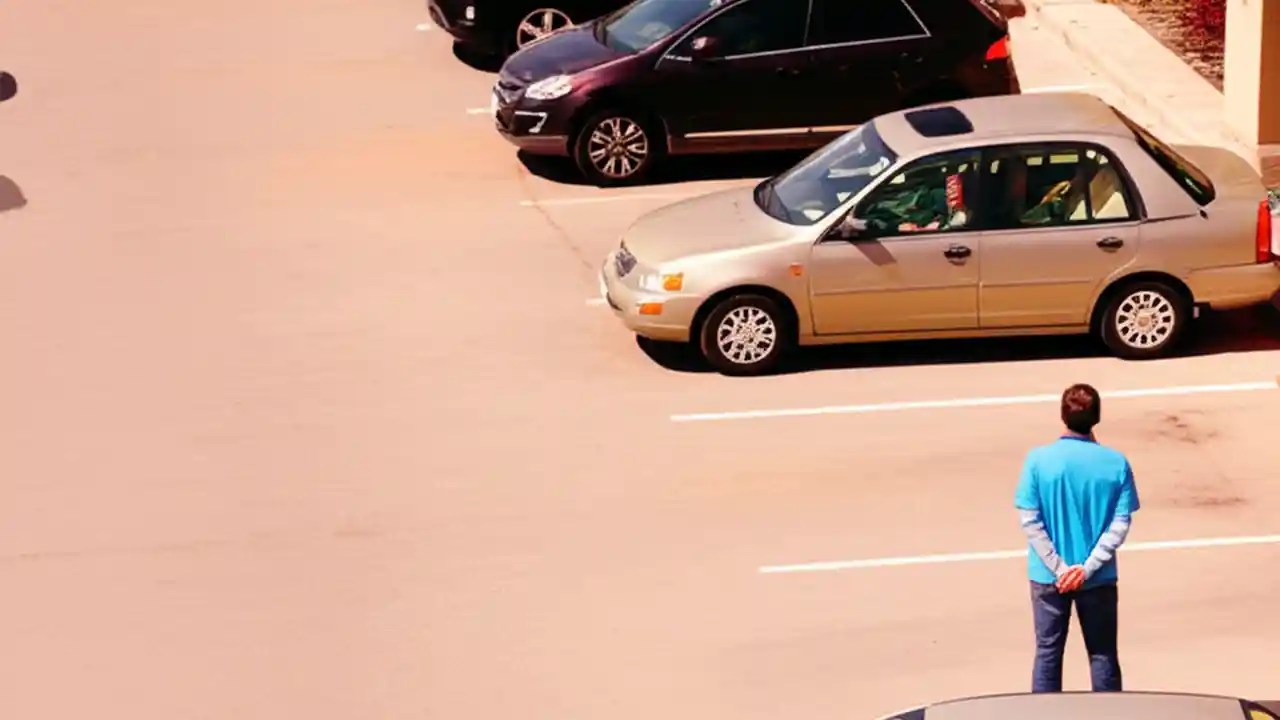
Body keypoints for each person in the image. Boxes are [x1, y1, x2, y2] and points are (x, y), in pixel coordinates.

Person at [1014, 383, 1140, 693]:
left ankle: (1044, 714)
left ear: (1063, 415)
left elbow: (1031, 521)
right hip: (1098, 579)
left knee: (1048, 654)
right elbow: (1120, 524)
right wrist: (1087, 568)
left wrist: (1059, 569)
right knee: (1102, 655)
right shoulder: (1116, 463)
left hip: (1048, 578)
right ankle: (1109, 713)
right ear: (1097, 417)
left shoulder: (1037, 460)